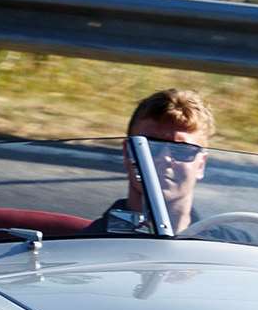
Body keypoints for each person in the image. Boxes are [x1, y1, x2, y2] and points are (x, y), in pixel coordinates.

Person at [91, 88, 213, 235]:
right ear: (127, 153)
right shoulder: (88, 245)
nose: (165, 159)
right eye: (149, 147)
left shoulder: (230, 246)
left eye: (182, 150)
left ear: (201, 164)